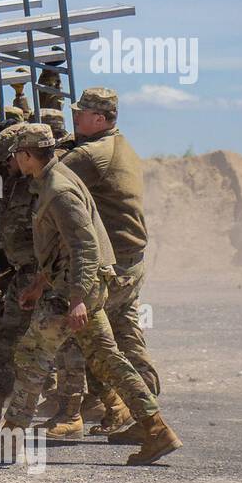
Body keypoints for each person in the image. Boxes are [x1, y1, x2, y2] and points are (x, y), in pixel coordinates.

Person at [7, 124, 182, 465]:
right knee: (108, 361)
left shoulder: (59, 190)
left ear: (28, 155)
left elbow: (84, 247)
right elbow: (60, 245)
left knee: (32, 355)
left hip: (73, 289)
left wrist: (76, 300)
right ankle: (156, 429)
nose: (14, 159)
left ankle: (10, 437)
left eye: (17, 153)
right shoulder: (53, 180)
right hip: (73, 286)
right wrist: (39, 284)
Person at [58, 87, 156, 441]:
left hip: (112, 264)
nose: (75, 117)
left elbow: (49, 172)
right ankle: (144, 416)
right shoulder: (117, 143)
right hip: (130, 261)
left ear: (99, 119)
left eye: (81, 114)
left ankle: (100, 411)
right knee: (126, 338)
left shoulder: (92, 154)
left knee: (86, 335)